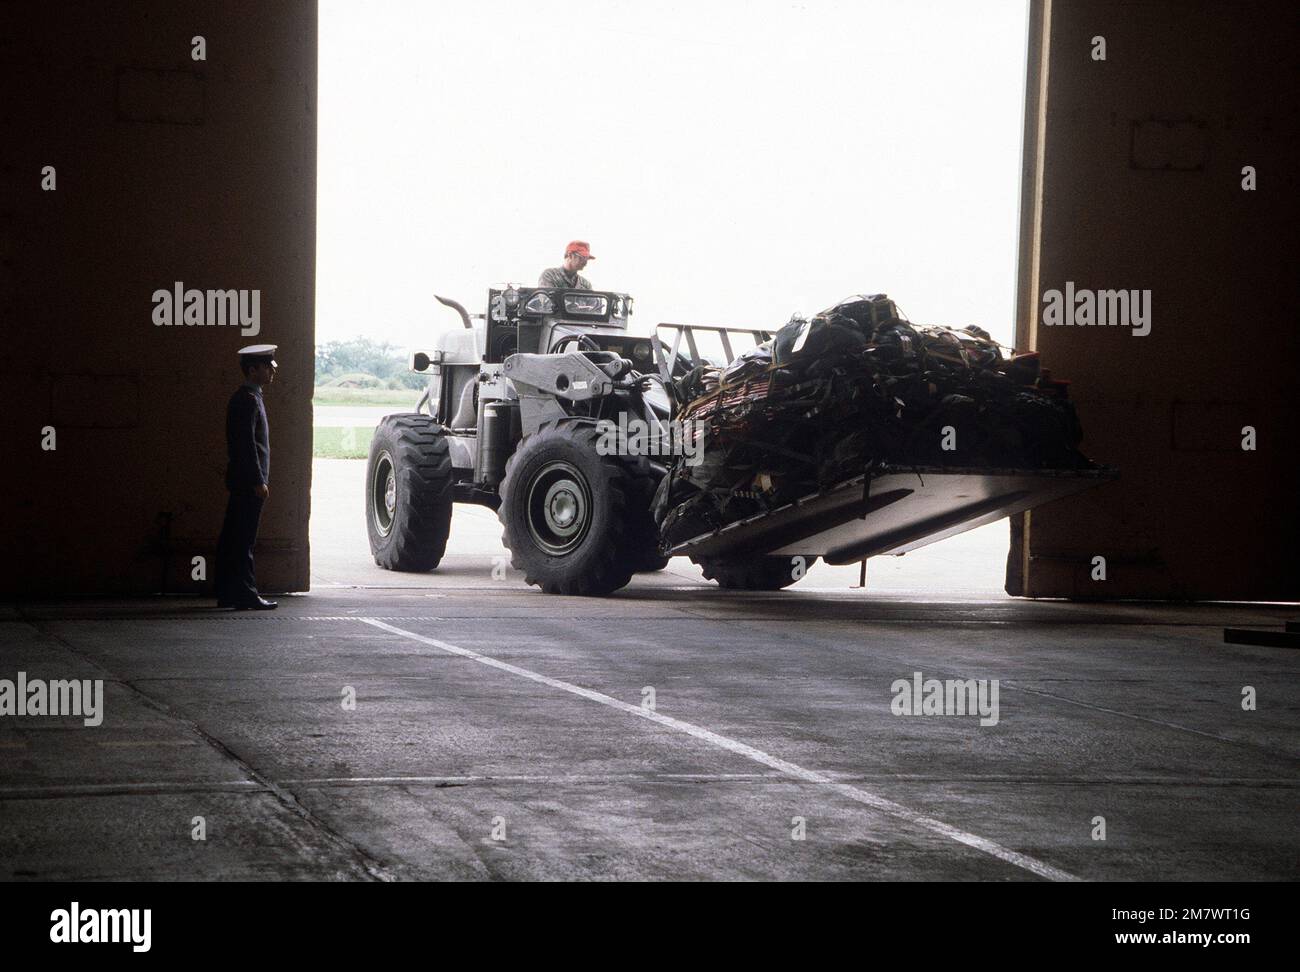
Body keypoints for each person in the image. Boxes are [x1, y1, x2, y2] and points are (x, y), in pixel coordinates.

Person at [215, 344, 278, 610]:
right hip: (248, 483)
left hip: (244, 482)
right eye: (267, 366)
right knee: (243, 541)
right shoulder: (247, 400)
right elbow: (246, 445)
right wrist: (258, 480)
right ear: (253, 370)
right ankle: (246, 593)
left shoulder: (251, 397)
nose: (273, 370)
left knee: (235, 538)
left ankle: (230, 593)